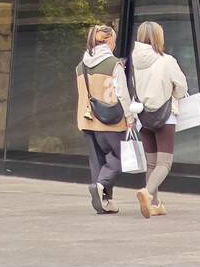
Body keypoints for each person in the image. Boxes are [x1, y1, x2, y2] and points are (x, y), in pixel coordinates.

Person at [76, 23, 140, 215]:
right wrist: (130, 116)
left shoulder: (80, 67)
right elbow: (122, 93)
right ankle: (101, 185)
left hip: (87, 120)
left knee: (97, 162)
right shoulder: (114, 64)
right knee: (119, 158)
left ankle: (105, 202)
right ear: (109, 40)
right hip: (111, 120)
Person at [129, 21, 189, 219]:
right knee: (165, 163)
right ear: (158, 37)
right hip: (165, 115)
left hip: (143, 116)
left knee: (152, 163)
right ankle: (147, 193)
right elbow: (181, 86)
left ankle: (154, 204)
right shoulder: (167, 61)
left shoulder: (135, 60)